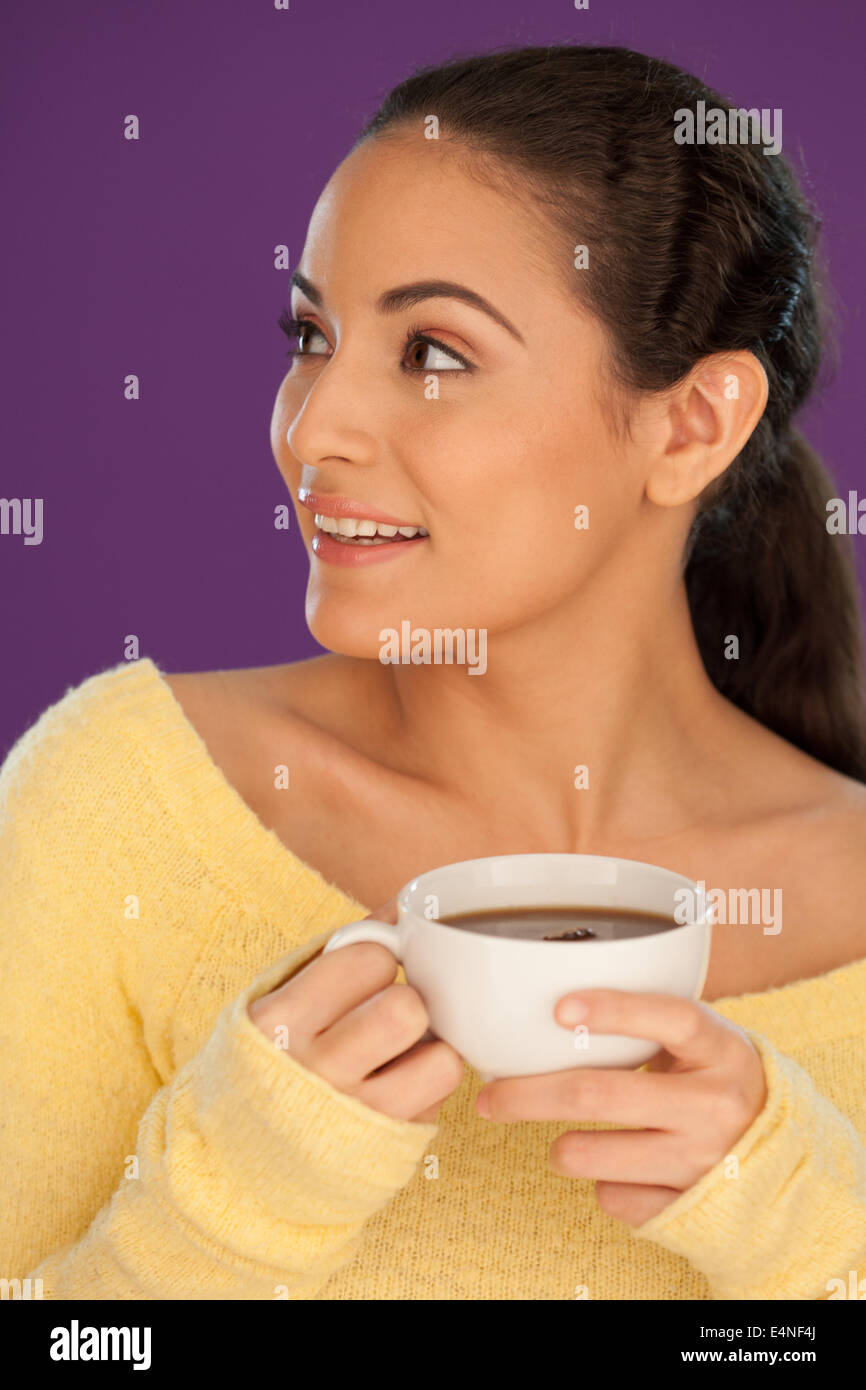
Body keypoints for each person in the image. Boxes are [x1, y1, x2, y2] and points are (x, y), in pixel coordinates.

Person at [2, 43, 865, 1301]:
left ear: (690, 425)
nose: (310, 428)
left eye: (434, 354)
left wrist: (811, 1241)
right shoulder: (122, 806)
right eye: (312, 334)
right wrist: (225, 1212)